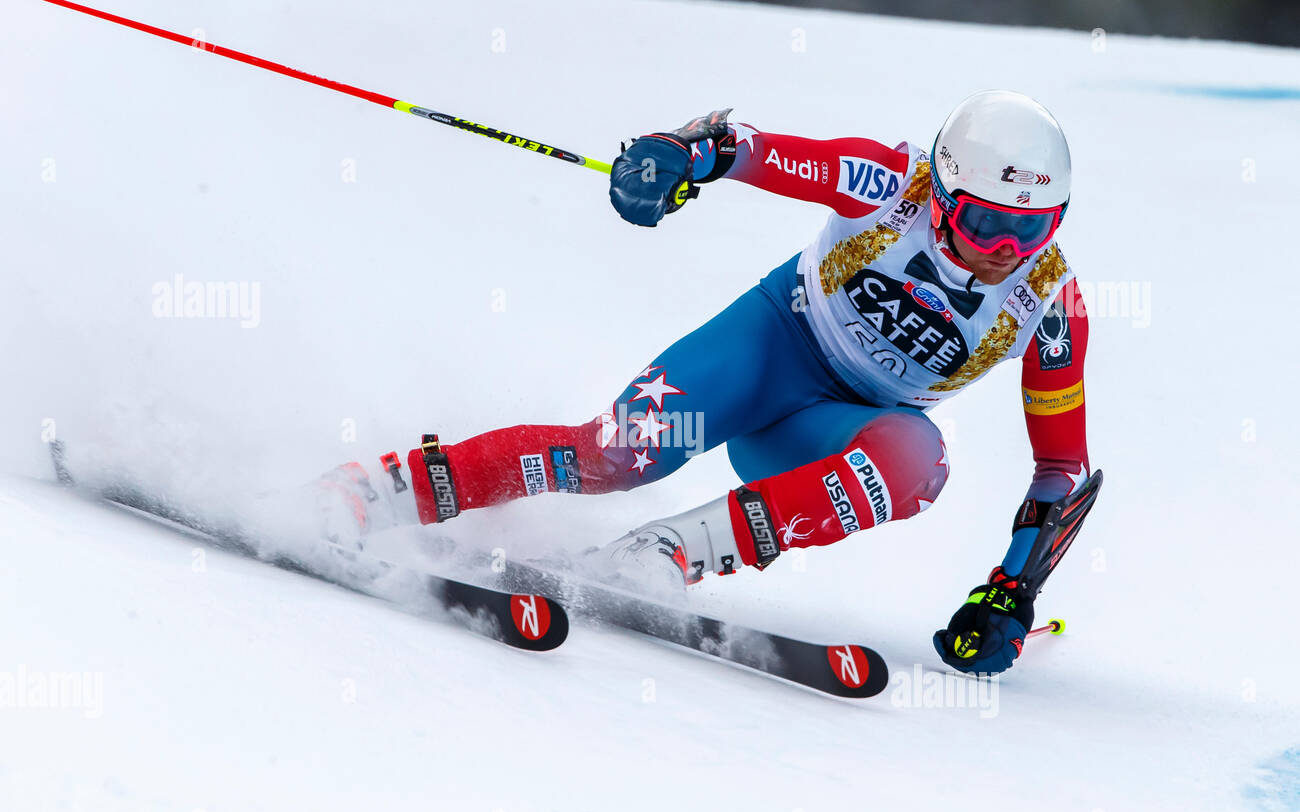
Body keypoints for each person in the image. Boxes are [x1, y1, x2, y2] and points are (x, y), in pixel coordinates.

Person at [329, 90, 1092, 676]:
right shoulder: (895, 185)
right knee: (615, 457)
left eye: (1031, 229)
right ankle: (384, 492)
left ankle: (662, 555)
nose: (1003, 250)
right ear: (944, 193)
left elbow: (1061, 466)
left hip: (826, 438)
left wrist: (1012, 591)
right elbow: (752, 150)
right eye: (984, 221)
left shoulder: (1051, 305)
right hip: (769, 349)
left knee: (920, 462)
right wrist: (679, 157)